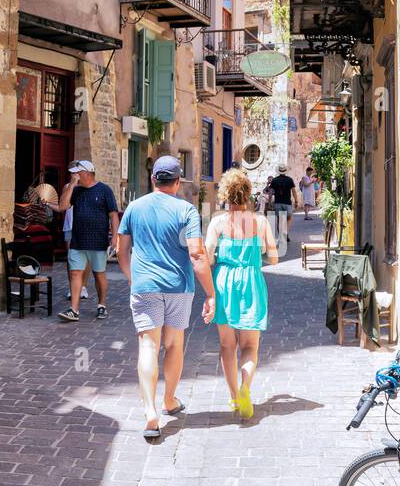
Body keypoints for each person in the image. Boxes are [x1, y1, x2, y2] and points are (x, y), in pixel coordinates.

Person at [117, 154, 215, 441]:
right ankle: (169, 400)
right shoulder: (187, 211)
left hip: (145, 286)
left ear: (153, 179)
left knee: (148, 346)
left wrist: (132, 278)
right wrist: (211, 293)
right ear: (178, 181)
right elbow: (197, 254)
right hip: (178, 287)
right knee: (173, 345)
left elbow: (121, 250)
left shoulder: (134, 208)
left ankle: (150, 413)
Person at [206, 169, 278, 419]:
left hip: (224, 282)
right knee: (250, 346)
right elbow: (274, 257)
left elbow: (207, 257)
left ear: (225, 195)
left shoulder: (217, 222)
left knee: (227, 345)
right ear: (248, 194)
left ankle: (235, 397)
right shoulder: (261, 222)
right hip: (251, 282)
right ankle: (245, 388)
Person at [51, 160, 119, 322]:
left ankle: (101, 305)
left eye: (77, 173)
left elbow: (113, 215)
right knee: (75, 273)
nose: (74, 175)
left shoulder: (104, 190)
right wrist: (71, 185)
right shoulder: (75, 190)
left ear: (87, 173)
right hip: (77, 241)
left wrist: (115, 237)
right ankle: (74, 310)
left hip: (98, 241)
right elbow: (62, 207)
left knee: (99, 274)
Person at [269, 166, 297, 232]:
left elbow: (270, 192)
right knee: (289, 218)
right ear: (285, 171)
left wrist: (270, 201)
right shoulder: (289, 179)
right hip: (287, 202)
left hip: (278, 202)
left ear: (279, 171)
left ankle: (281, 235)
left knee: (279, 219)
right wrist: (296, 200)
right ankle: (285, 232)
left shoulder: (274, 180)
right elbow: (293, 191)